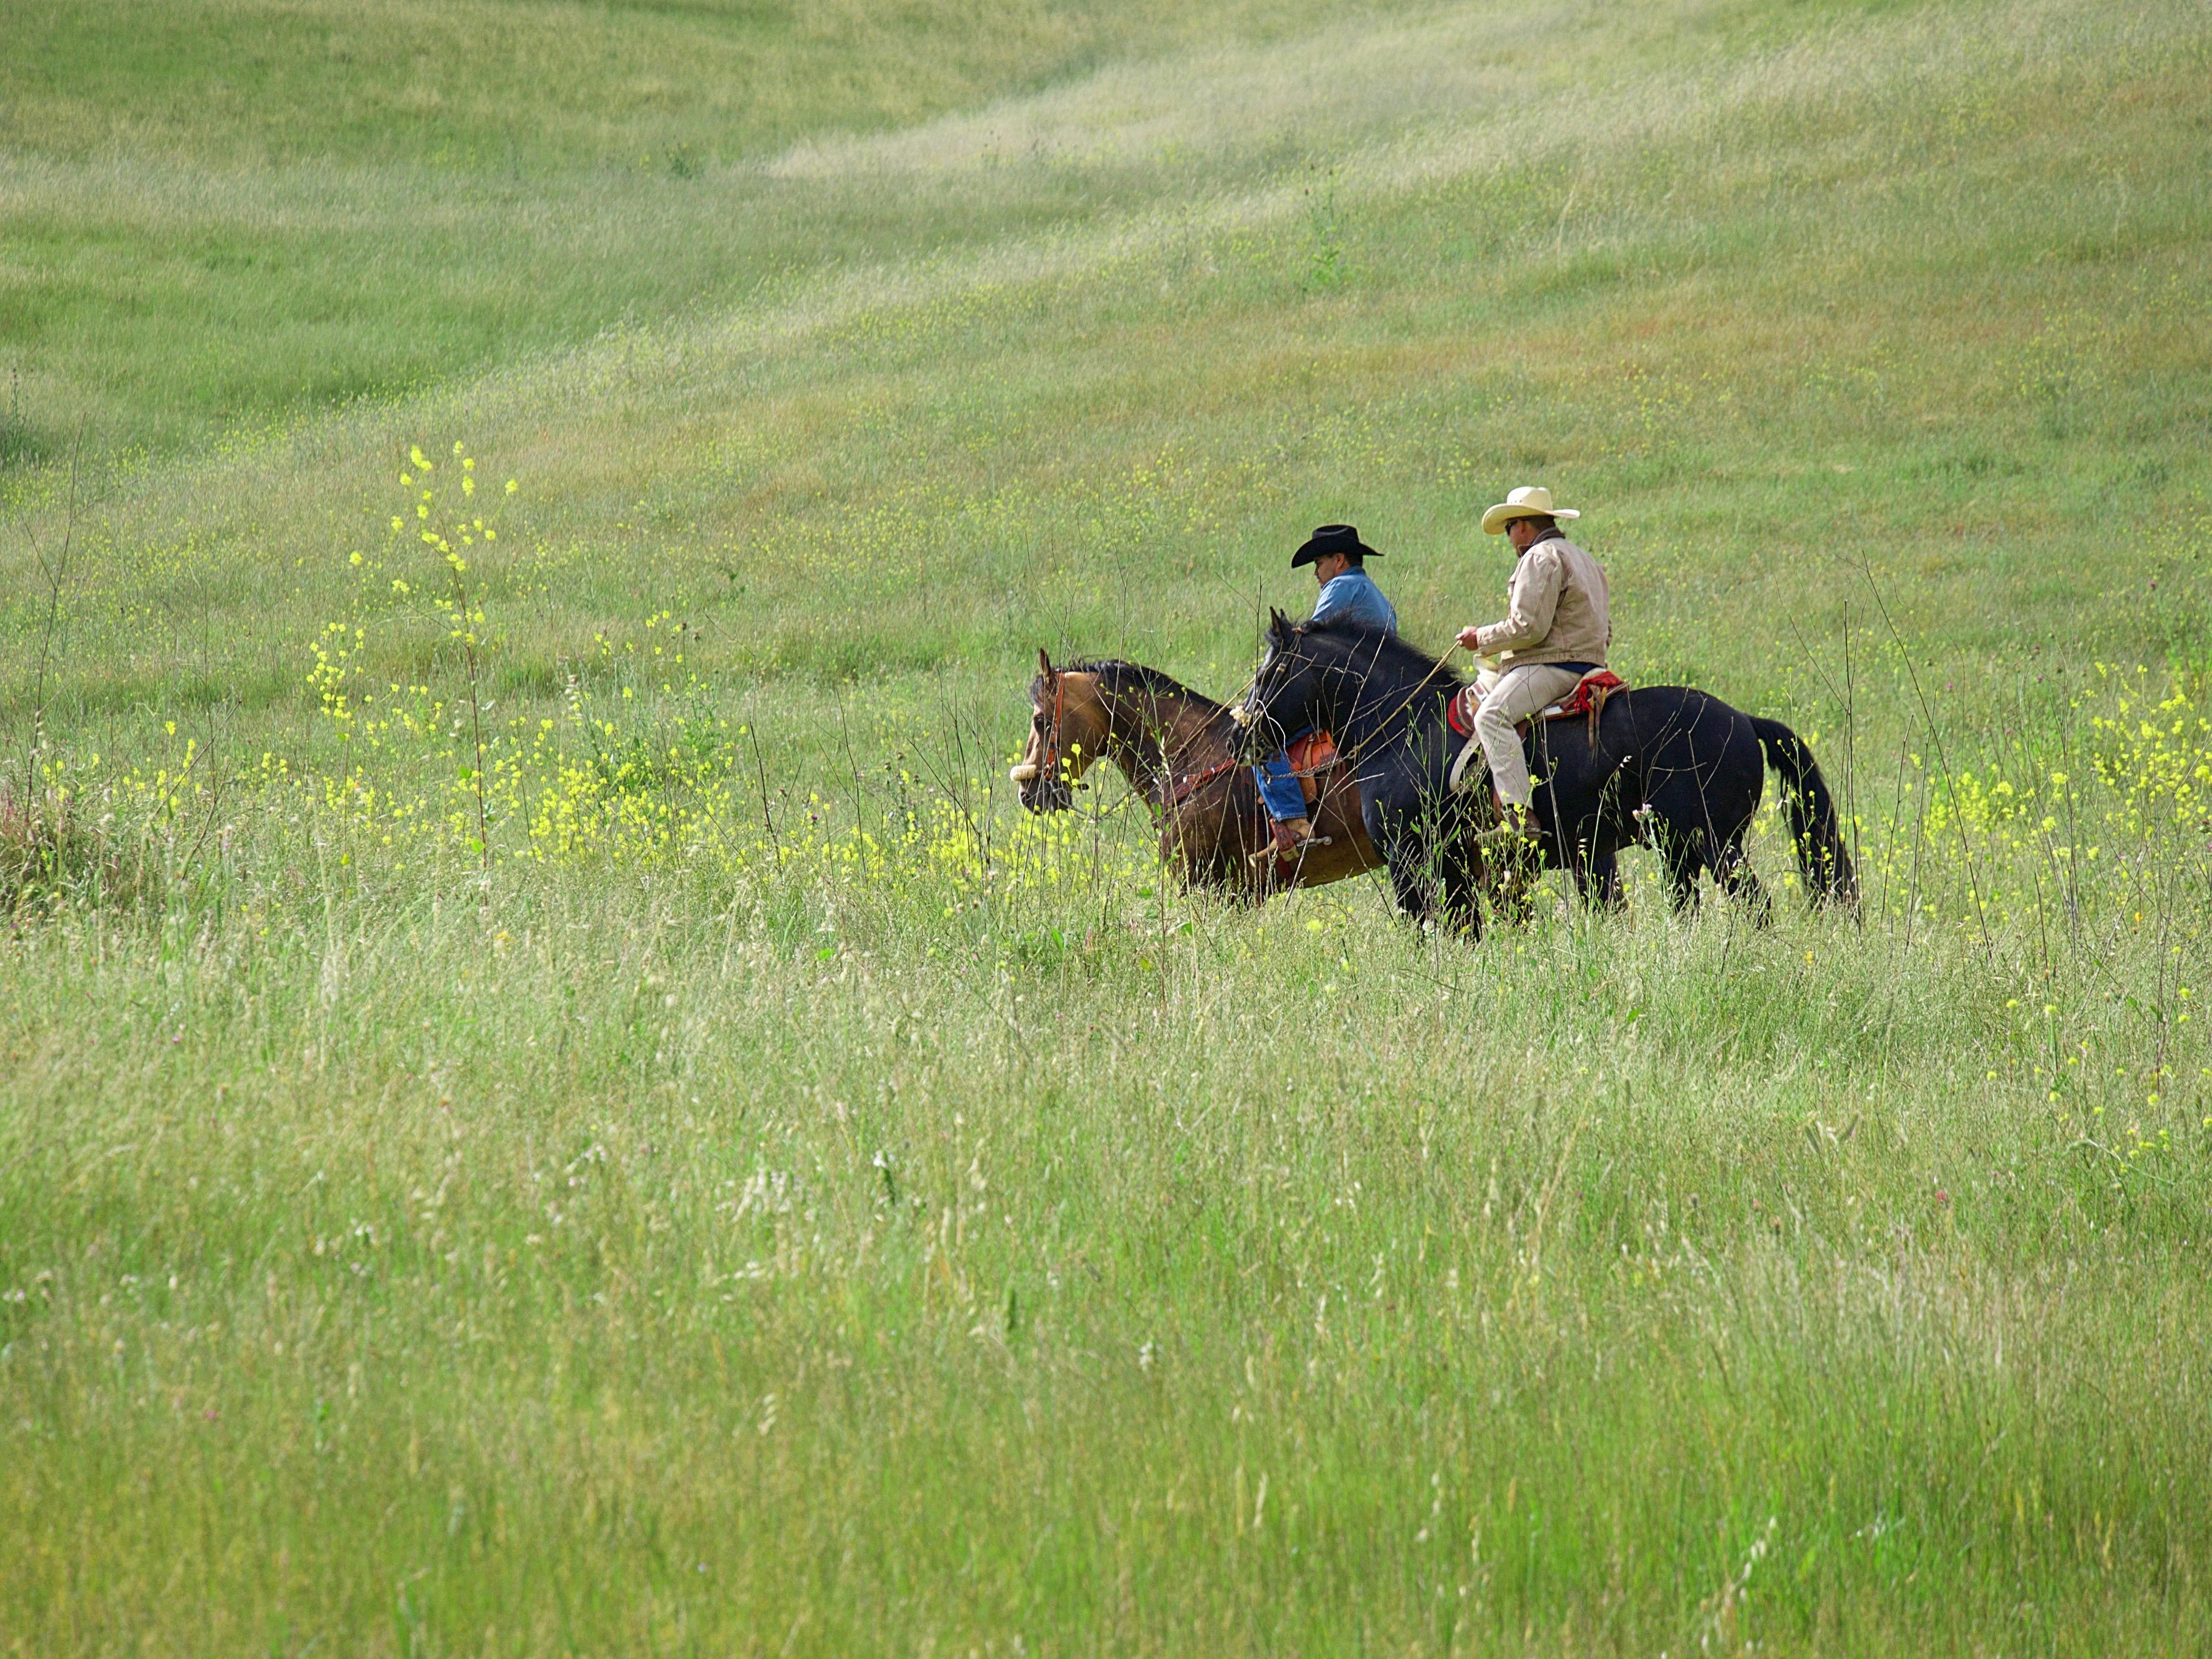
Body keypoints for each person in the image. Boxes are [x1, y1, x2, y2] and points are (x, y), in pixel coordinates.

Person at [1452, 486, 1611, 847]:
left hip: (1553, 667)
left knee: (1490, 716)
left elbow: (1529, 627)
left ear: (1522, 525)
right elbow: (1607, 627)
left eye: (1510, 528)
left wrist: (1482, 638)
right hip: (1591, 666)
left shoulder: (1541, 557)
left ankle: (1517, 815)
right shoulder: (1585, 560)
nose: (1510, 538)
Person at [1253, 524, 1398, 860]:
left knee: (1264, 739)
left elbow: (1311, 645)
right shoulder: (1378, 597)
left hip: (1347, 696)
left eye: (1319, 563)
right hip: (1379, 692)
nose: (1316, 573)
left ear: (1339, 559)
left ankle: (1292, 821)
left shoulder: (1341, 586)